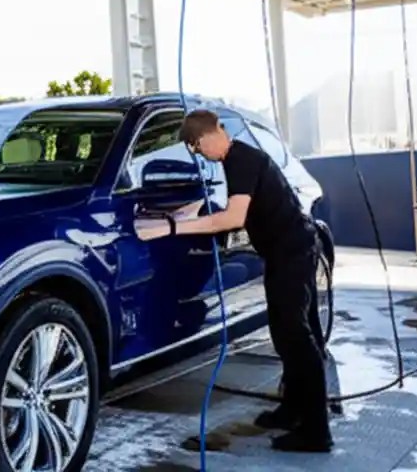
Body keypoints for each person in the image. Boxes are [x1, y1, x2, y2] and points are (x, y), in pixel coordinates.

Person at [135, 109, 333, 454]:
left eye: (196, 149)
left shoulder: (242, 159)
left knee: (297, 335)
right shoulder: (235, 159)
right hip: (286, 251)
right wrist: (185, 213)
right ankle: (292, 409)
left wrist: (168, 228)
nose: (200, 156)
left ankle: (316, 432)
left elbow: (232, 218)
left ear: (207, 137)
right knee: (287, 334)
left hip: (293, 251)